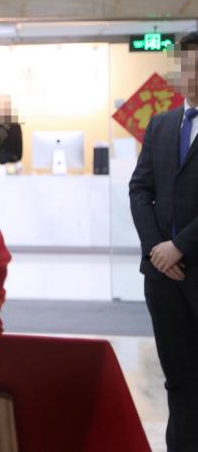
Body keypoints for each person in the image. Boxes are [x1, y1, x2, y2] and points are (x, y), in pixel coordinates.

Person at [130, 31, 198, 452]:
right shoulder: (161, 124)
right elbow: (140, 188)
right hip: (162, 278)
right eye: (187, 67)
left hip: (194, 265)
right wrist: (157, 248)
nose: (192, 76)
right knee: (178, 377)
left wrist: (180, 246)